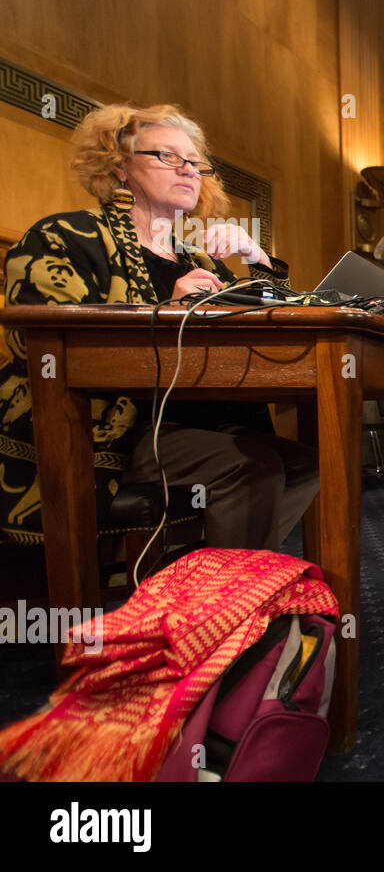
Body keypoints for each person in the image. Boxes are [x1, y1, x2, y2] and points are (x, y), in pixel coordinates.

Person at [0, 103, 318, 549]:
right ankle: (219, 602)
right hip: (110, 429)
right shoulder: (64, 237)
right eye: (168, 156)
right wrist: (165, 310)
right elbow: (42, 346)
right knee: (252, 465)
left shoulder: (202, 260)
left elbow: (283, 324)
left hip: (206, 421)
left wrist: (258, 261)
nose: (188, 169)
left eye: (194, 162)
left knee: (309, 463)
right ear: (119, 166)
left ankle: (203, 580)